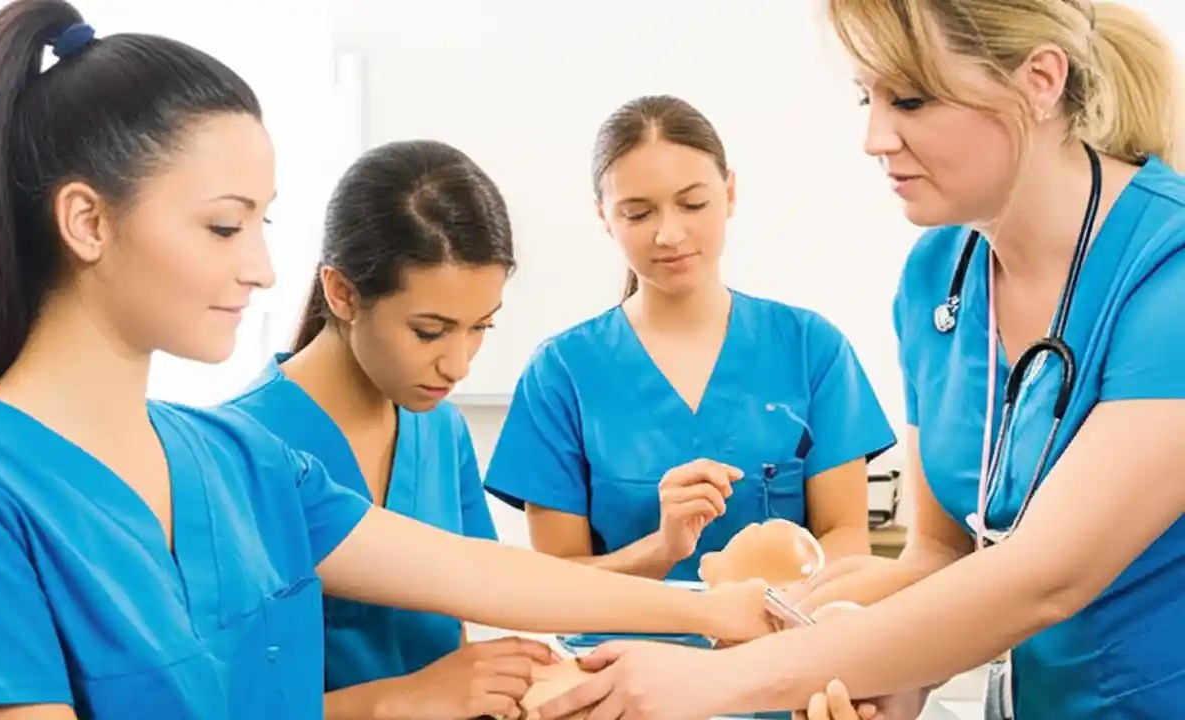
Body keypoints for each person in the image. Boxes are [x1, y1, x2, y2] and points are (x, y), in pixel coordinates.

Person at [0, 3, 780, 719]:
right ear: (88, 222)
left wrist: (712, 610)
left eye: (263, 223)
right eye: (223, 225)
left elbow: (477, 572)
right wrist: (390, 707)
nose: (261, 267)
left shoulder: (236, 463)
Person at [527, 1, 1185, 719]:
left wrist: (725, 680)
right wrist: (898, 678)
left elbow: (1048, 575)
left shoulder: (1167, 266)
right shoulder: (940, 279)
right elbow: (942, 554)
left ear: (1040, 80)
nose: (874, 138)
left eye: (910, 98)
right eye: (866, 98)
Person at [483, 94, 896, 584]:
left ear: (731, 193)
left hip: (779, 652)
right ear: (603, 217)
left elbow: (845, 541)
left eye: (693, 203)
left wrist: (770, 615)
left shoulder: (812, 350)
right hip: (624, 654)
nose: (670, 235)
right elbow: (556, 581)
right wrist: (662, 548)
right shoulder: (561, 374)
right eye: (638, 214)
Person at [224, 138, 536, 718]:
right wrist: (400, 701)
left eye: (480, 328)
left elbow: (475, 596)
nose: (459, 364)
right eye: (429, 331)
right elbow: (222, 701)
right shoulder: (236, 450)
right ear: (341, 292)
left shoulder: (441, 429)